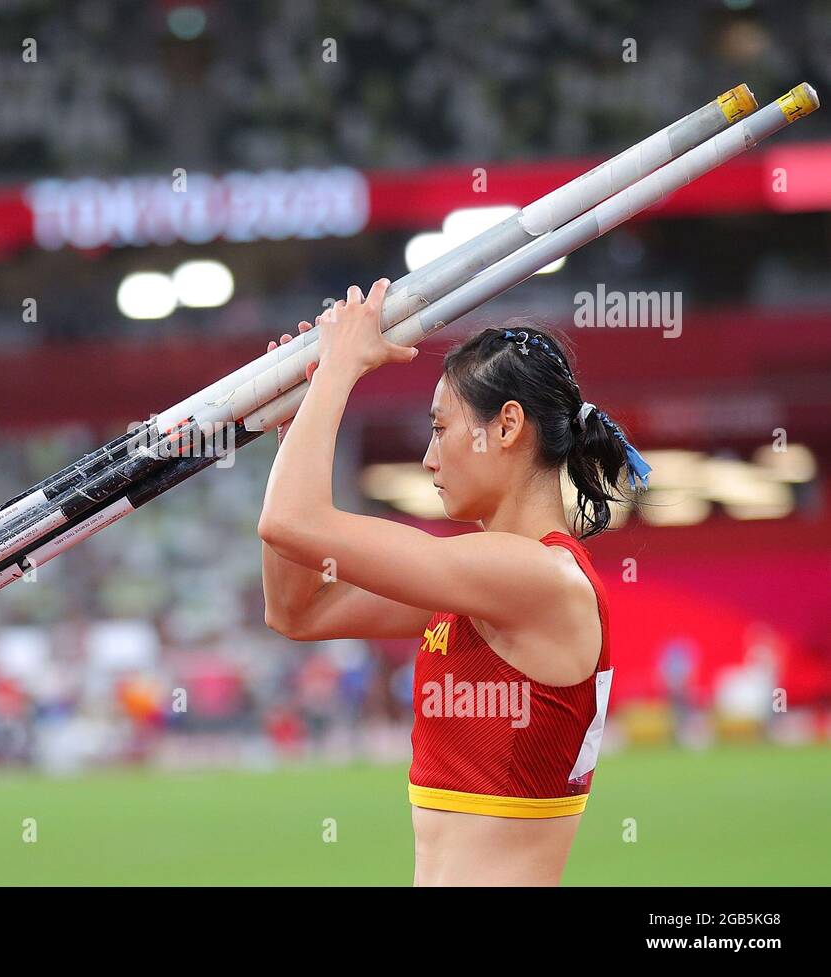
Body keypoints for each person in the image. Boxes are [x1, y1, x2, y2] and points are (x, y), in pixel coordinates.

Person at [258, 279, 649, 886]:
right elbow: (297, 611)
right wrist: (297, 425)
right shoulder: (480, 585)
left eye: (440, 429)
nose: (428, 458)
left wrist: (337, 371)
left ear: (507, 426)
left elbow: (291, 521)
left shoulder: (537, 579)